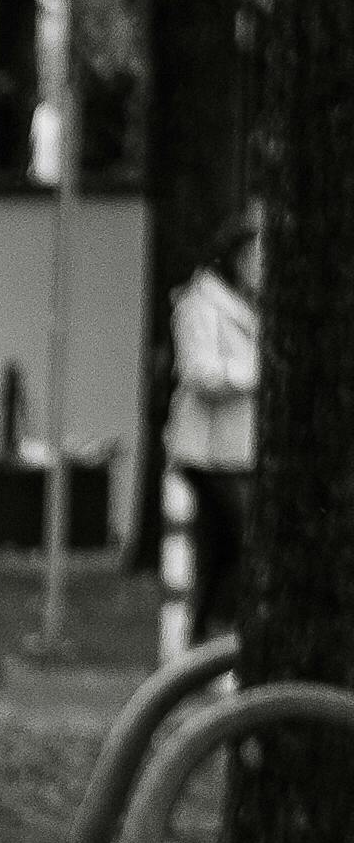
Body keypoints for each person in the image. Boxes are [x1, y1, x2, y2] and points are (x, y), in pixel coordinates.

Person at [166, 216, 261, 636]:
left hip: (237, 452)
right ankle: (214, 641)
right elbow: (199, 372)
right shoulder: (200, 305)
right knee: (241, 544)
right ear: (237, 259)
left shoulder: (249, 308)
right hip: (207, 453)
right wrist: (257, 372)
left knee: (224, 552)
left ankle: (202, 640)